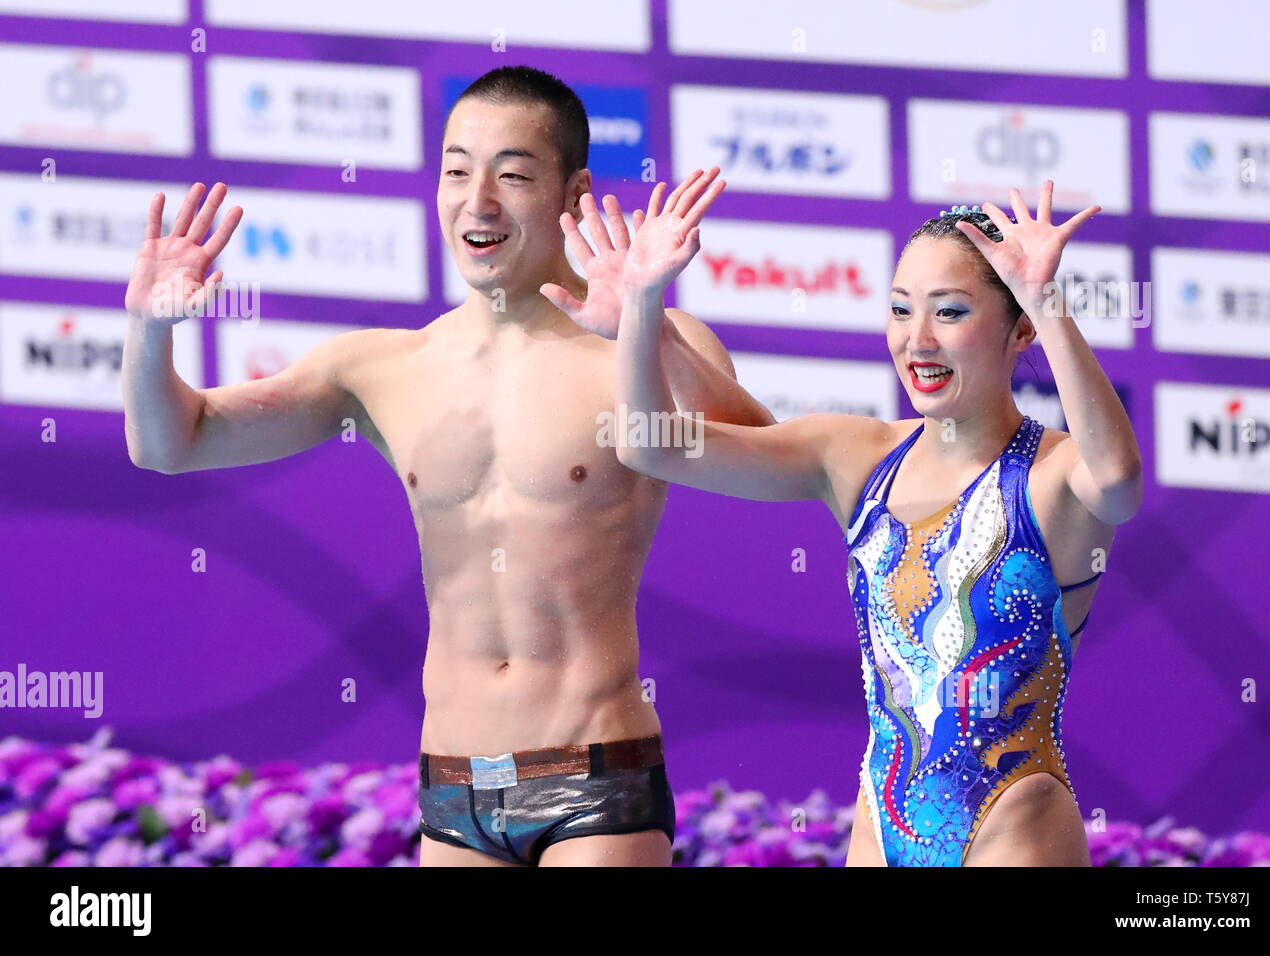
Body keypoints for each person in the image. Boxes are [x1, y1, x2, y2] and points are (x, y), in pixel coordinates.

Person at [121, 65, 773, 867]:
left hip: (595, 775)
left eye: (513, 174)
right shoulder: (387, 366)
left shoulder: (647, 342)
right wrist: (148, 332)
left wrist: (644, 321)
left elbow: (763, 452)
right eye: (457, 171)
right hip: (453, 790)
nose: (479, 201)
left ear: (575, 194)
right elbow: (170, 443)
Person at [614, 181, 1142, 866]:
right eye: (899, 311)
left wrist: (1046, 300)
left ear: (1019, 330)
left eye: (950, 312)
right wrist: (640, 299)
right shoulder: (856, 457)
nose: (917, 341)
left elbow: (1120, 481)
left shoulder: (1053, 475)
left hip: (1015, 828)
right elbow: (648, 444)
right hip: (879, 829)